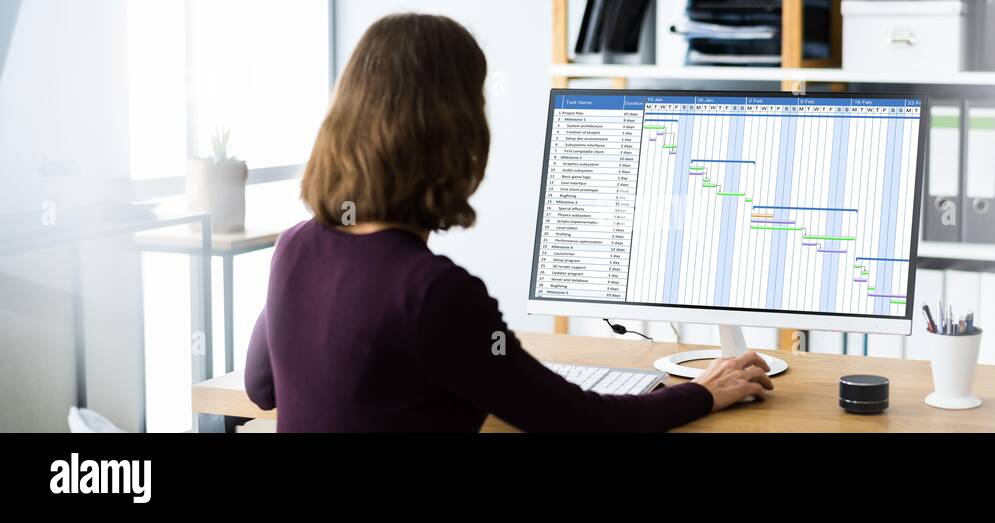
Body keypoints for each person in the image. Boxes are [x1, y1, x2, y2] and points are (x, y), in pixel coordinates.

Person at [244, 13, 774, 432]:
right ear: (456, 132)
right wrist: (706, 390)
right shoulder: (434, 294)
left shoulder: (295, 246)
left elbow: (262, 388)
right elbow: (580, 422)